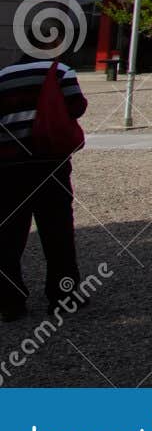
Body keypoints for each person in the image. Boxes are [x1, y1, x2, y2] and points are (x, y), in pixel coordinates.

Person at [0, 53, 86, 321]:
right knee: (57, 232)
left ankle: (10, 301)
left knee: (9, 236)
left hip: (9, 165)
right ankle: (63, 295)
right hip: (49, 162)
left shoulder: (3, 75)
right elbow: (77, 107)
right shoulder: (61, 71)